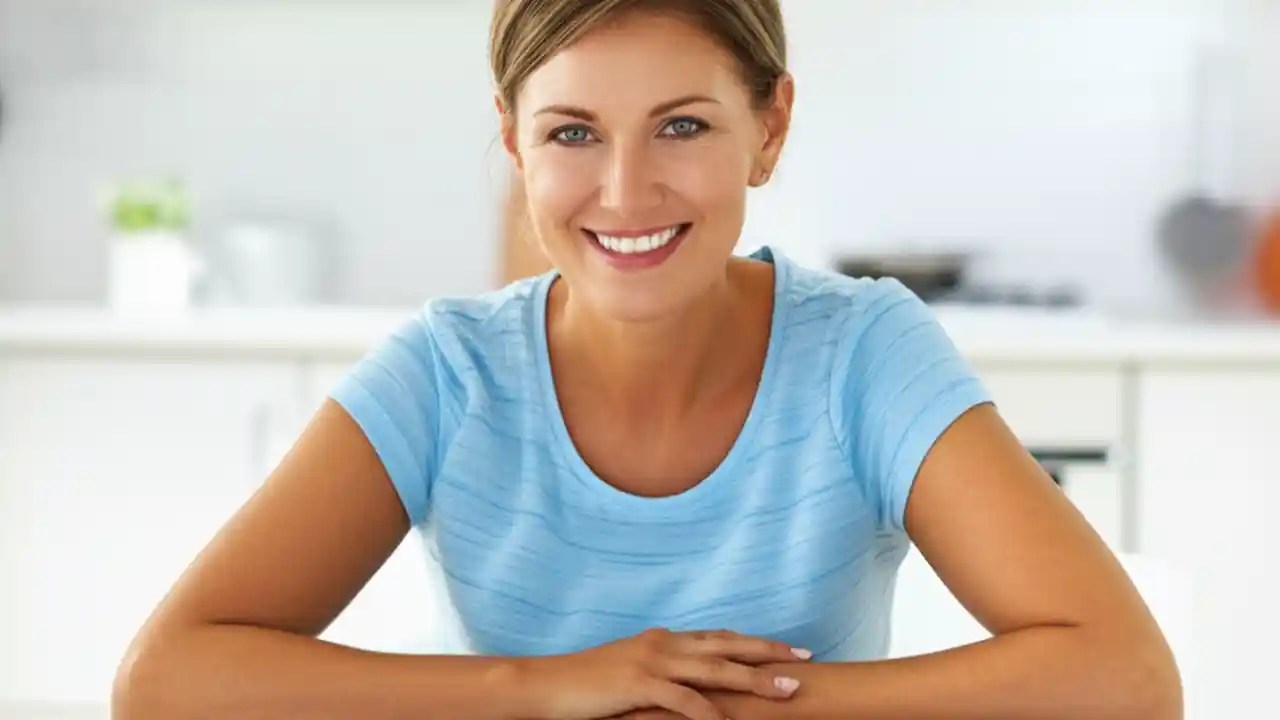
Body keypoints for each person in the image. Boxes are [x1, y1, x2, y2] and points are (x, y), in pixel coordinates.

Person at [112, 1, 1181, 718]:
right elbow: (165, 680)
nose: (624, 193)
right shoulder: (448, 374)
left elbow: (1123, 675)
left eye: (680, 126)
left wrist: (716, 702)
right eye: (572, 133)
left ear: (769, 127)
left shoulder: (861, 354)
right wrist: (553, 687)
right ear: (512, 141)